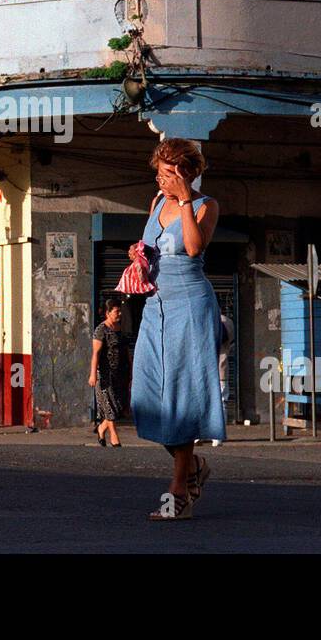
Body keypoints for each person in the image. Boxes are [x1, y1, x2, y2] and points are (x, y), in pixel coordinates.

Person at [131, 137, 225, 521]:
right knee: (147, 395)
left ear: (185, 173)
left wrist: (185, 199)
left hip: (190, 307)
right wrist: (136, 256)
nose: (160, 178)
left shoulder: (205, 206)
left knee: (182, 397)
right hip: (155, 307)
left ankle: (177, 492)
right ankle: (193, 466)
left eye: (167, 172)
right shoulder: (155, 204)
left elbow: (191, 247)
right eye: (157, 171)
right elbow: (149, 245)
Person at [89, 296, 128, 447]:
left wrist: (130, 371)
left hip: (119, 374)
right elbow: (96, 354)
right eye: (116, 312)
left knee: (118, 407)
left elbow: (125, 352)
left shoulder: (119, 329)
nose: (119, 314)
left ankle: (101, 428)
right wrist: (93, 374)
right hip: (104, 375)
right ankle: (114, 436)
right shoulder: (101, 330)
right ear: (108, 313)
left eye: (120, 311)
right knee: (110, 406)